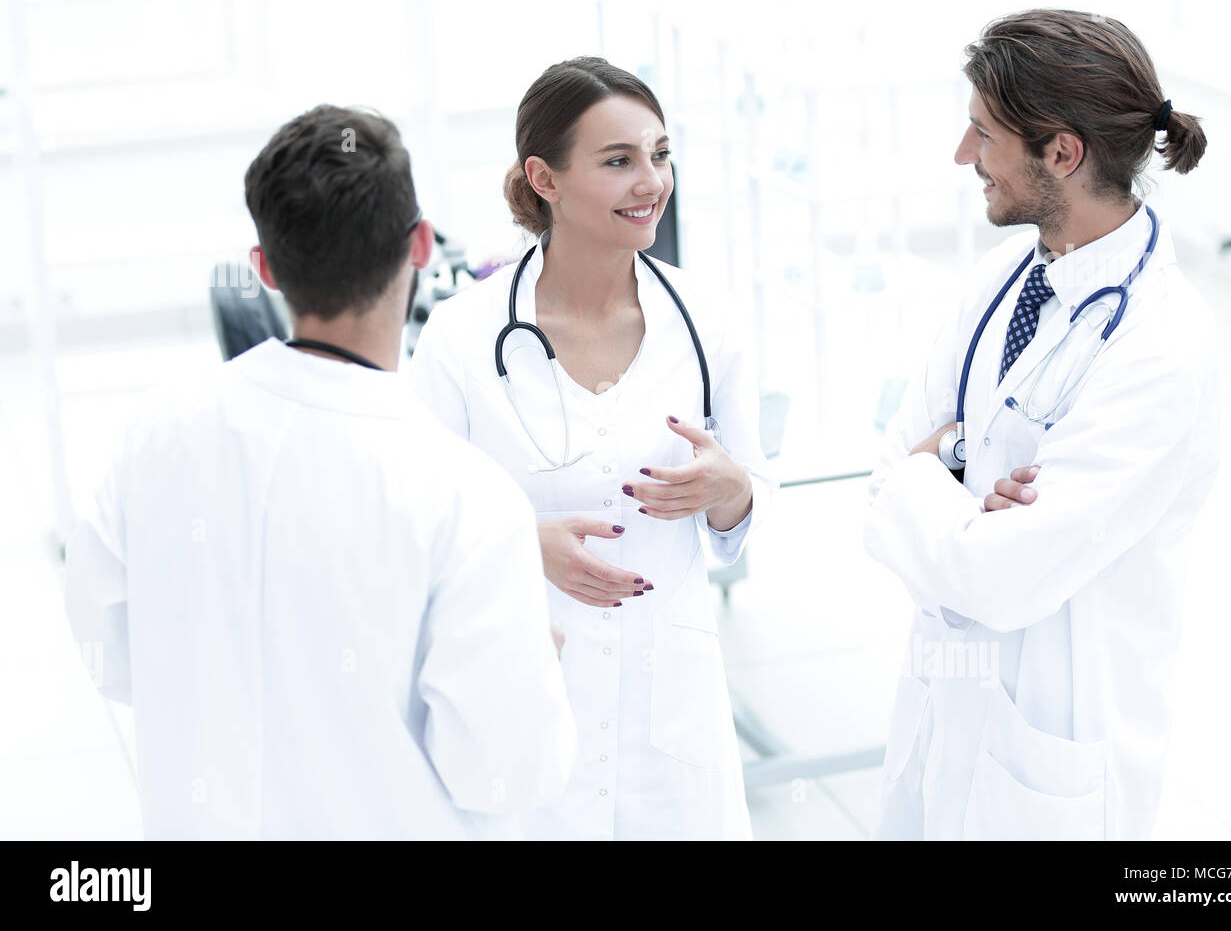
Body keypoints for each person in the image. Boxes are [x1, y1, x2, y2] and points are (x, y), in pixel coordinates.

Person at [63, 104, 576, 839]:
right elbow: (503, 772)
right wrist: (534, 663)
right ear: (422, 245)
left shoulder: (153, 435)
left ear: (264, 266)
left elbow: (112, 655)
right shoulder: (466, 494)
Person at [862, 10, 1219, 840]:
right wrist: (948, 475)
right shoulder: (1000, 278)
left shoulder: (1159, 345)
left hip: (1059, 738)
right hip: (947, 692)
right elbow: (880, 480)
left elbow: (999, 577)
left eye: (982, 134)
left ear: (1061, 153)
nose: (963, 156)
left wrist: (928, 474)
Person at [408, 58, 776, 840]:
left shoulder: (708, 319)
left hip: (669, 706)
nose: (651, 182)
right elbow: (415, 527)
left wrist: (728, 488)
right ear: (544, 178)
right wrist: (521, 544)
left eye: (660, 155)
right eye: (618, 162)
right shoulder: (461, 340)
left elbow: (746, 510)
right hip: (527, 698)